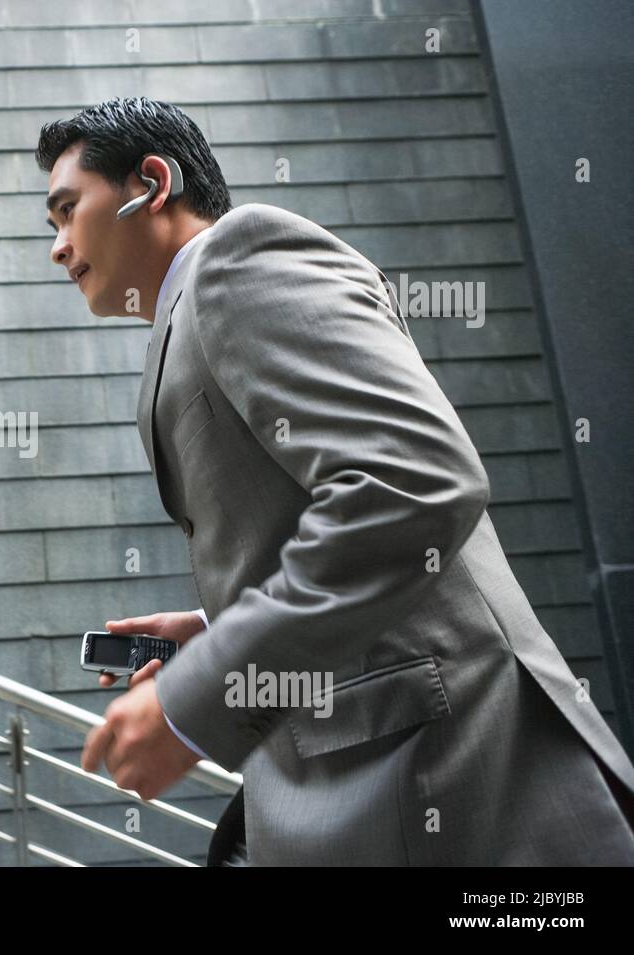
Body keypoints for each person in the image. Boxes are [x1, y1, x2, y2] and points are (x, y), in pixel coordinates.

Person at [37, 96, 634, 865]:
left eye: (66, 210)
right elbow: (339, 509)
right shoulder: (193, 309)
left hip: (459, 785)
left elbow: (412, 482)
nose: (56, 247)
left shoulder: (242, 258)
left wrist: (195, 705)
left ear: (153, 183)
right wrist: (225, 623)